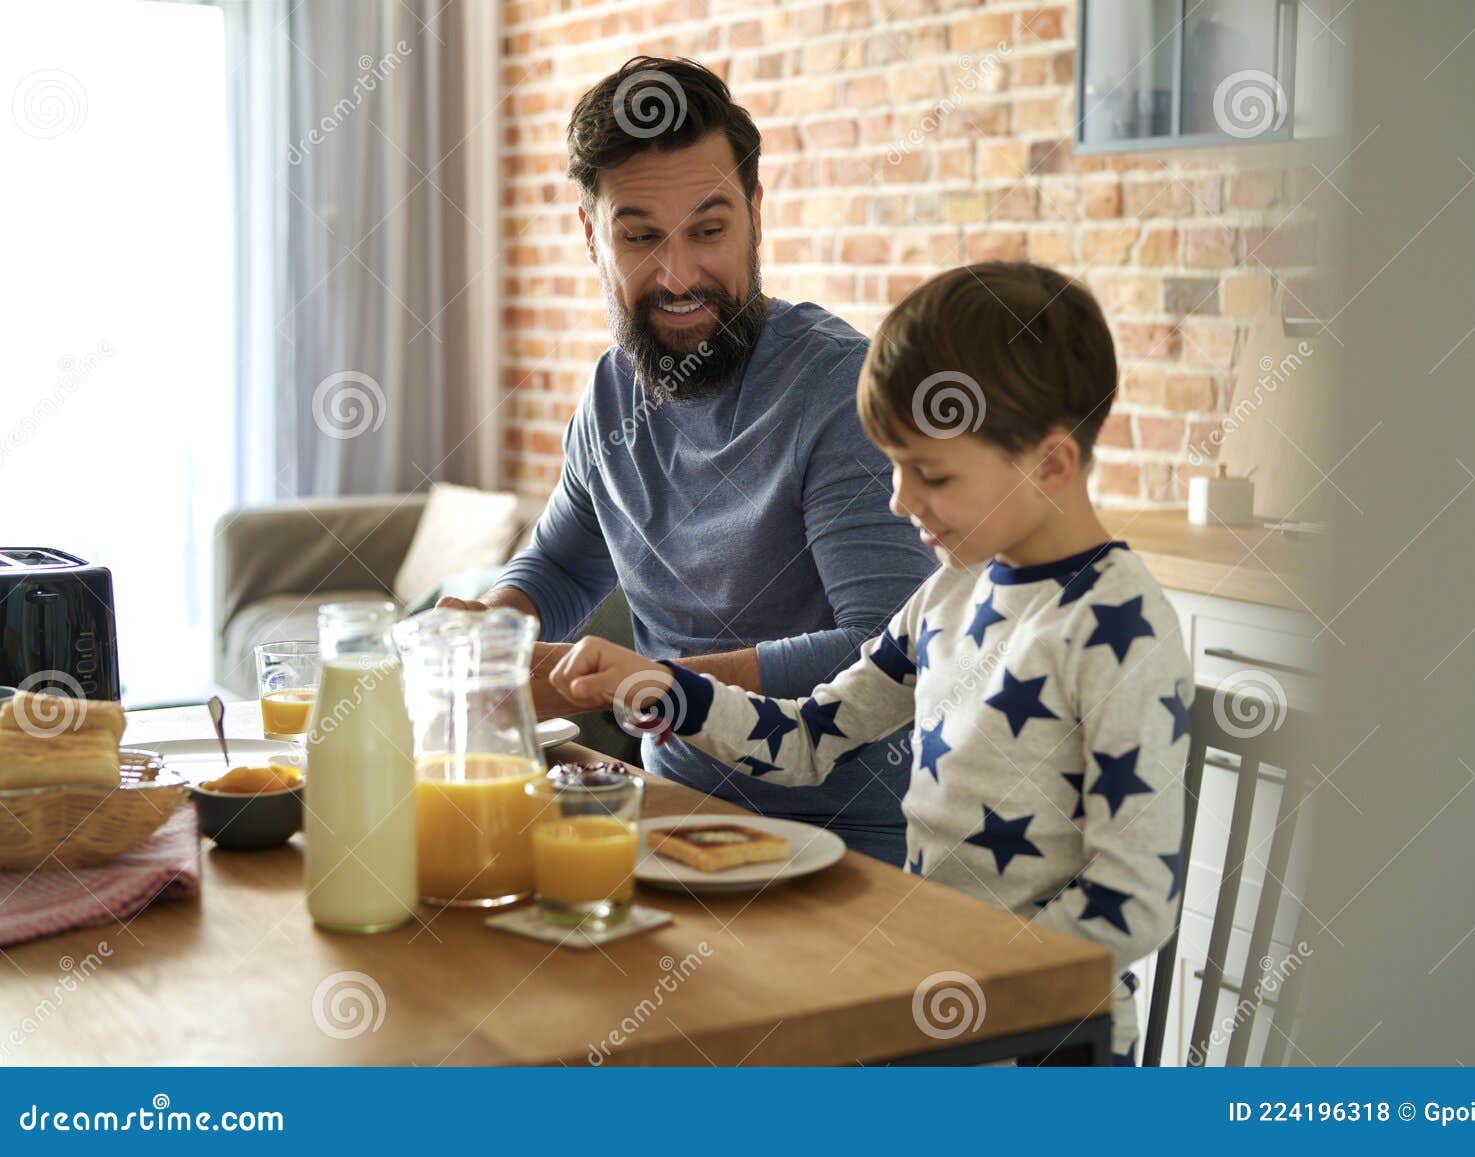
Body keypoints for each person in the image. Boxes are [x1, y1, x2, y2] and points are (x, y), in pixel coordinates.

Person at [549, 262, 1193, 1065]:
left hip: (1047, 1042)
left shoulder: (1120, 627)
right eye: (893, 464)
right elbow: (809, 735)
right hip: (942, 1011)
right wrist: (672, 690)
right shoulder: (949, 596)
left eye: (932, 473)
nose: (897, 501)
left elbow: (1136, 902)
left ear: (1052, 464)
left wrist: (949, 969)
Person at [440, 56, 935, 865]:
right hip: (669, 822)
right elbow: (561, 568)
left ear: (756, 214)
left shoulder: (840, 391)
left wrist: (653, 682)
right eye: (641, 237)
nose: (678, 276)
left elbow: (887, 648)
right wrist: (492, 636)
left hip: (850, 850)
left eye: (709, 231)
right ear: (592, 233)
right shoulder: (610, 398)